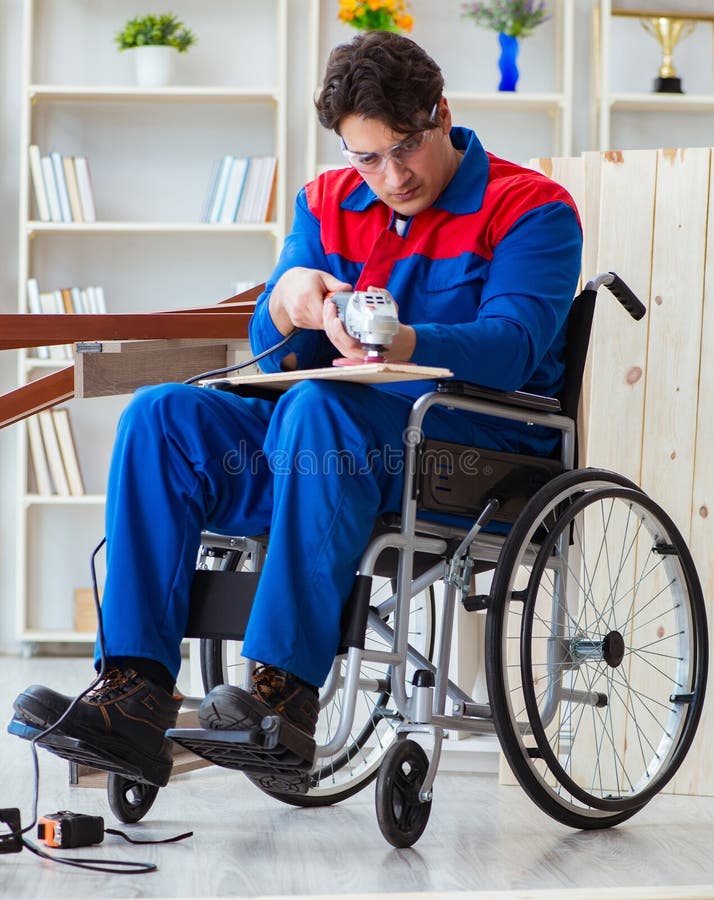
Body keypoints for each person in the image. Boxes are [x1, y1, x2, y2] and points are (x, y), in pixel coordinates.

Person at [12, 31, 582, 787]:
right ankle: (136, 695)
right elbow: (274, 355)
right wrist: (287, 305)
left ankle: (282, 698)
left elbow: (512, 346)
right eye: (366, 157)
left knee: (318, 407)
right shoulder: (327, 201)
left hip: (464, 453)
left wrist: (404, 337)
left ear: (441, 113)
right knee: (159, 417)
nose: (389, 175)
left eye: (404, 147)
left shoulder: (532, 208)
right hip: (325, 446)